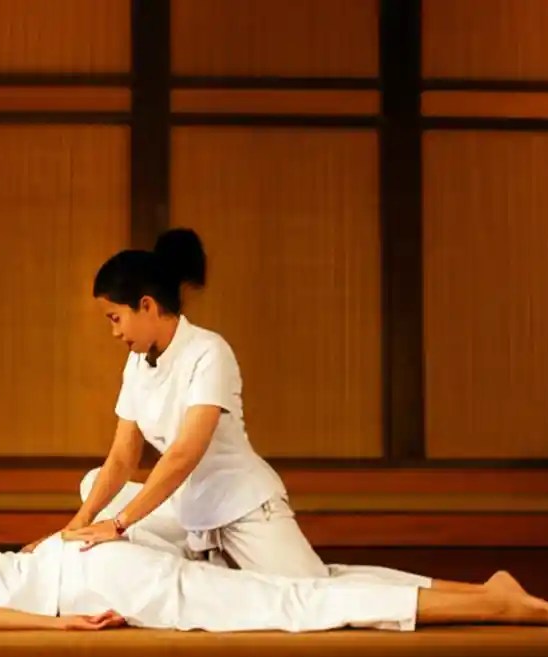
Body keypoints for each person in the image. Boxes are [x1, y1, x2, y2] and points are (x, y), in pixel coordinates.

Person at [25, 228, 328, 578]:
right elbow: (123, 456)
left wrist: (119, 524)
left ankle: (401, 598)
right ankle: (196, 562)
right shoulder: (137, 362)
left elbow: (185, 452)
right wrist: (75, 528)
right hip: (187, 511)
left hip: (240, 505)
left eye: (115, 318)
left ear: (147, 305)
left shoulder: (209, 352)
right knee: (93, 483)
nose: (114, 332)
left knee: (312, 592)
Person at [0, 532, 548, 649]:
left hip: (91, 579)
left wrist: (55, 627)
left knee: (283, 607)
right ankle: (475, 586)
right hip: (76, 556)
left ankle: (494, 604)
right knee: (292, 585)